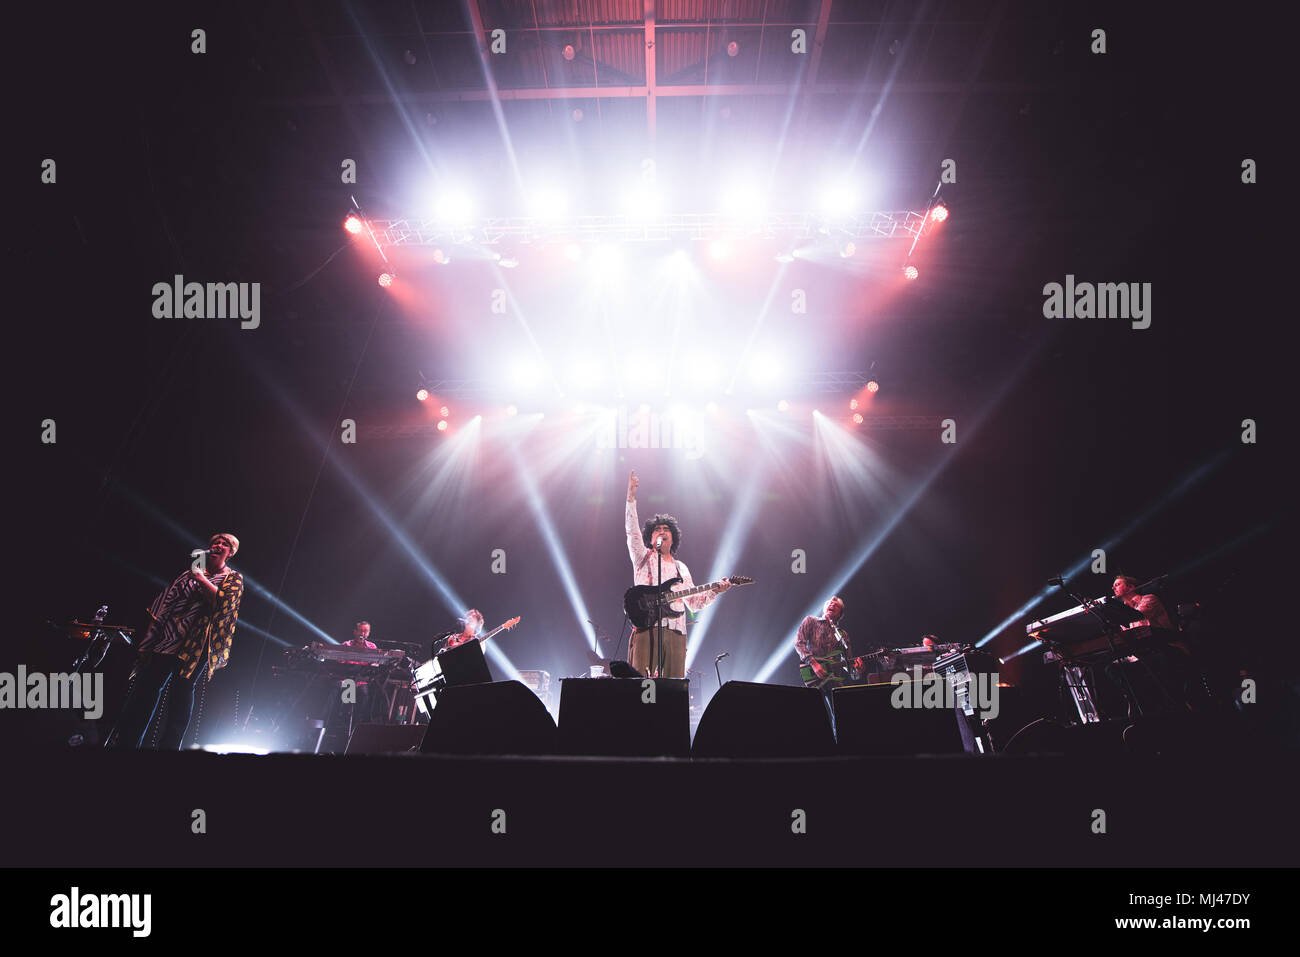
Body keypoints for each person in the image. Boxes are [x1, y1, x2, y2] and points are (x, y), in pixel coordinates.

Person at [107, 533, 244, 749]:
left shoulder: (233, 578)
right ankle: (127, 742)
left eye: (224, 544)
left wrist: (201, 579)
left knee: (181, 694)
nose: (217, 545)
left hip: (195, 647)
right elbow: (166, 602)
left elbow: (223, 605)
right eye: (214, 543)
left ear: (231, 552)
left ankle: (169, 747)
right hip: (168, 638)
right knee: (146, 691)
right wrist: (151, 636)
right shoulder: (188, 574)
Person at [625, 470, 730, 678]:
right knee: (641, 688)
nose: (662, 531)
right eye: (657, 529)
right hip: (647, 629)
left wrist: (715, 591)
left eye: (666, 529)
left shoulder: (681, 568)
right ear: (650, 537)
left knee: (672, 690)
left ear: (673, 538)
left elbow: (694, 603)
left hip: (676, 634)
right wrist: (630, 499)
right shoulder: (643, 557)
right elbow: (631, 531)